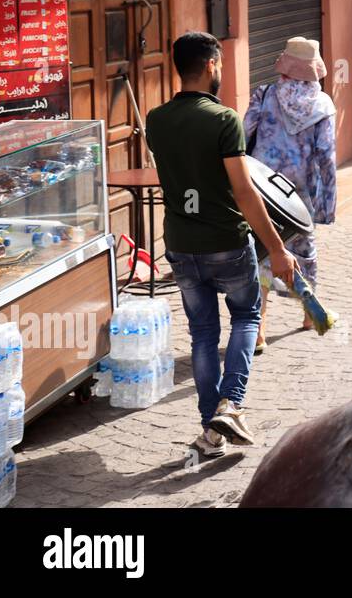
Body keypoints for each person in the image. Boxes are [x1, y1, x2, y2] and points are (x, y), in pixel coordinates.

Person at [145, 32, 297, 460]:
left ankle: (211, 431)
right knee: (247, 316)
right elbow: (245, 193)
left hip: (180, 242)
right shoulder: (224, 119)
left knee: (202, 334)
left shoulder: (155, 119)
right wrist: (278, 249)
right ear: (211, 65)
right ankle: (230, 403)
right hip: (226, 242)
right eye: (222, 64)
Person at [244, 37, 337, 355]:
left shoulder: (264, 94)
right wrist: (327, 205)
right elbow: (327, 156)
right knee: (304, 249)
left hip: (262, 185)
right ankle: (310, 314)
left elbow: (243, 135)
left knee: (263, 252)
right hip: (299, 193)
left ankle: (258, 328)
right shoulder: (323, 105)